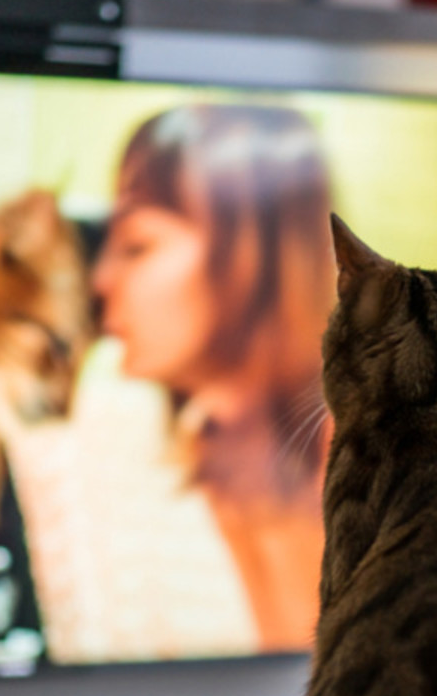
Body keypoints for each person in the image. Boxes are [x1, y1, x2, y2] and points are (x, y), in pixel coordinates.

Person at [91, 104, 335, 652]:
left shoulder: (396, 470)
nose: (102, 278)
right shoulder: (95, 456)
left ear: (253, 256)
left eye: (137, 245)